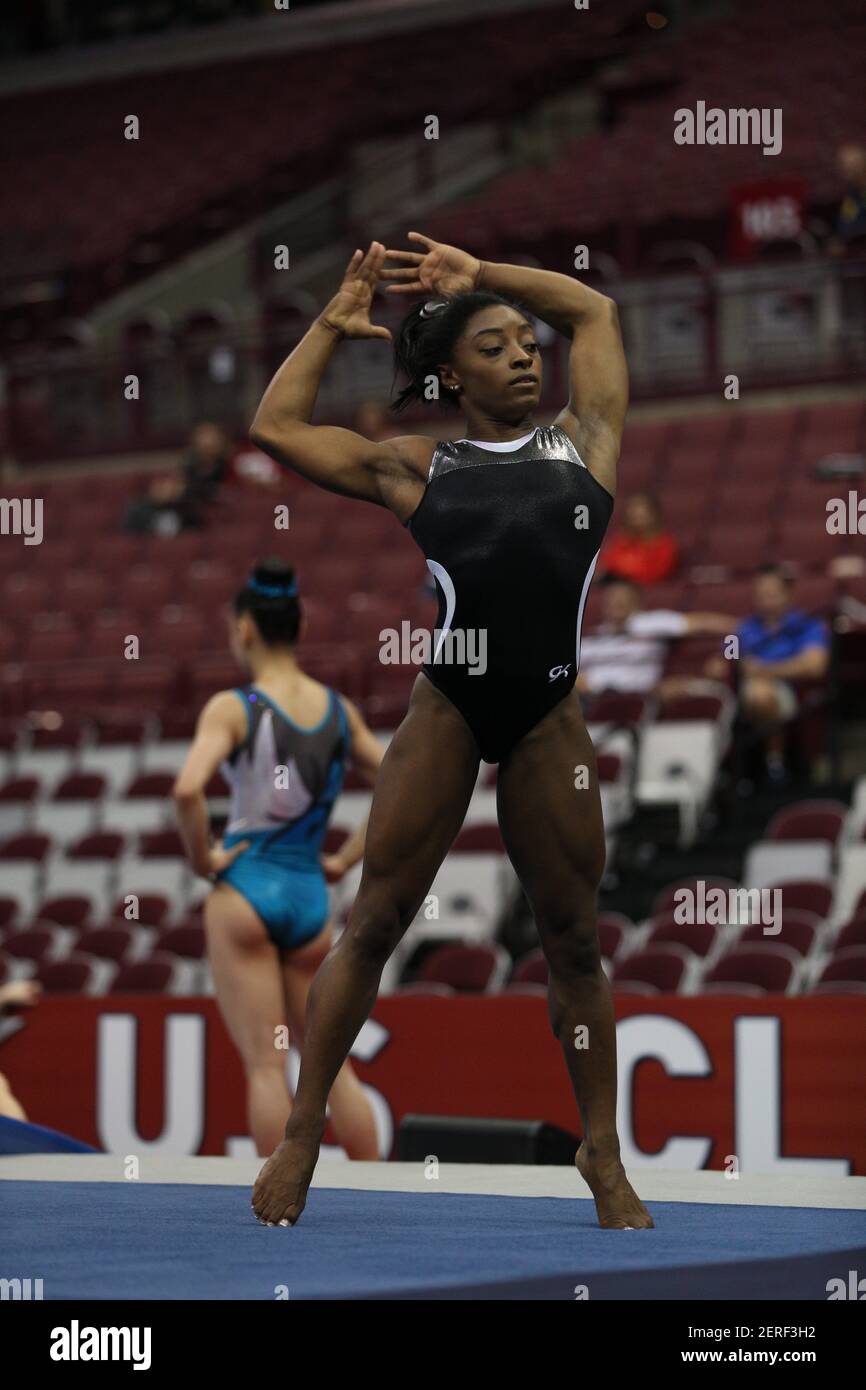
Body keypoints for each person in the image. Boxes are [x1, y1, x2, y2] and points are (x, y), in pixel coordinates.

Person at [247, 234, 653, 1231]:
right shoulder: (411, 467)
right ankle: (301, 1134)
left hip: (548, 715)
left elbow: (593, 312)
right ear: (448, 374)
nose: (525, 354)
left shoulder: (584, 439)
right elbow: (275, 424)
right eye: (497, 346)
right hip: (450, 705)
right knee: (374, 918)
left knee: (571, 942)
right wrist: (329, 326)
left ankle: (601, 1154)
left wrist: (483, 278)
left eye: (526, 343)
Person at [173, 557, 382, 1159]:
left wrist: (201, 860)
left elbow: (188, 788)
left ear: (244, 629)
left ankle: (273, 1202)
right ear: (301, 627)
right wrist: (344, 859)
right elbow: (400, 778)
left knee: (266, 1067)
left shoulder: (233, 707)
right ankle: (380, 1189)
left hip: (245, 891)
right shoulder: (340, 711)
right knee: (333, 1069)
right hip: (310, 899)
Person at [706, 565, 830, 781]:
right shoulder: (744, 629)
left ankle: (774, 765)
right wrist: (734, 665)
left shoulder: (807, 626)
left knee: (761, 694)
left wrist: (765, 670)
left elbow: (814, 665)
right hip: (741, 690)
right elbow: (721, 663)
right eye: (761, 595)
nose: (767, 600)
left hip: (789, 690)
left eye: (773, 594)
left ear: (789, 594)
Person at [576, 575, 734, 698]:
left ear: (635, 601)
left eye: (622, 598)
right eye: (611, 598)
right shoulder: (591, 636)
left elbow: (732, 627)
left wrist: (726, 657)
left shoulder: (650, 622)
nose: (616, 602)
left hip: (639, 697)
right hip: (590, 700)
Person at [123, 421, 232, 535]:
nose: (205, 443)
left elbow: (214, 490)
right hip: (183, 501)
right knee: (138, 505)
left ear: (221, 440)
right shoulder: (190, 464)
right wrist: (169, 490)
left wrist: (180, 490)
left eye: (210, 438)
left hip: (196, 506)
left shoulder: (225, 465)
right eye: (202, 438)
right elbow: (181, 481)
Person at [599, 492, 679, 586]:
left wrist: (624, 570)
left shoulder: (666, 545)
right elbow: (605, 566)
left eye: (642, 511)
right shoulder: (621, 541)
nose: (636, 515)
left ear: (654, 514)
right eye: (633, 511)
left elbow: (656, 573)